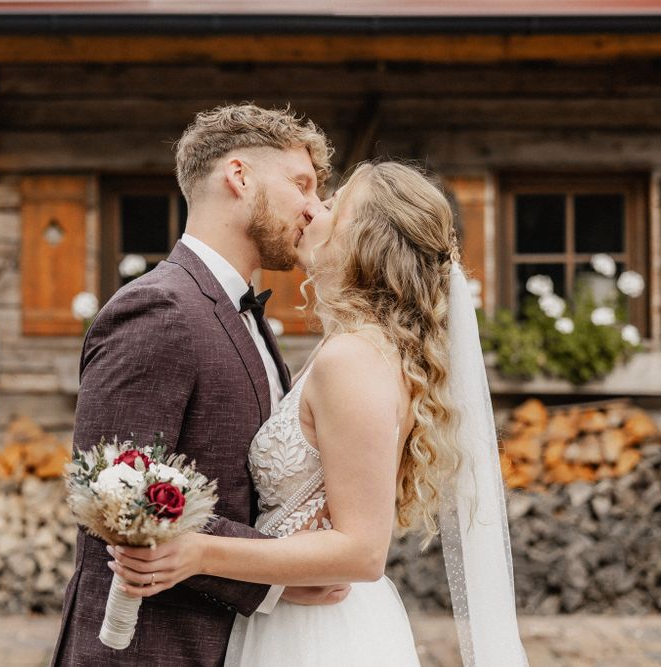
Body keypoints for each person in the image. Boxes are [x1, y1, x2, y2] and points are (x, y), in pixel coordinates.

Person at [108, 161, 529, 666]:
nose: (312, 210)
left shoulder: (353, 358)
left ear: (364, 239)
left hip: (317, 634)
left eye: (332, 204)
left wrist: (199, 552)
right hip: (291, 614)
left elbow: (362, 552)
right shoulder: (357, 348)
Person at [51, 104, 352, 667]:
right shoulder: (159, 308)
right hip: (149, 647)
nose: (315, 208)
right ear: (239, 176)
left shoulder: (244, 314)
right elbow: (118, 491)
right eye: (301, 184)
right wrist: (277, 573)